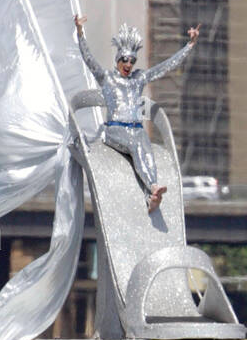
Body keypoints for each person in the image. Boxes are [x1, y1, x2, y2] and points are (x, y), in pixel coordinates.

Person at [74, 15, 200, 213]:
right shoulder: (106, 77)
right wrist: (80, 33)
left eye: (132, 61)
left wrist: (189, 46)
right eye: (125, 60)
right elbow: (88, 59)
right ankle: (152, 187)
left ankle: (153, 192)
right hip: (115, 130)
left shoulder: (138, 78)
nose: (128, 64)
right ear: (118, 60)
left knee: (144, 143)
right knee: (135, 144)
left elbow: (165, 67)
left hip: (136, 129)